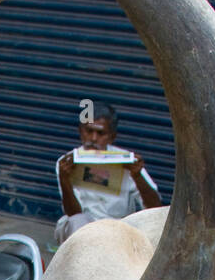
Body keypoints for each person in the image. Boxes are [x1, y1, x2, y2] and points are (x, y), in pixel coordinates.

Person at [55, 100, 160, 245]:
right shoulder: (67, 162)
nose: (93, 138)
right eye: (89, 131)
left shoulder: (127, 161)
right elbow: (73, 213)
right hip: (83, 228)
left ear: (112, 137)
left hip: (118, 228)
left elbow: (155, 208)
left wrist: (137, 176)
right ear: (80, 131)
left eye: (100, 133)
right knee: (76, 222)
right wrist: (64, 178)